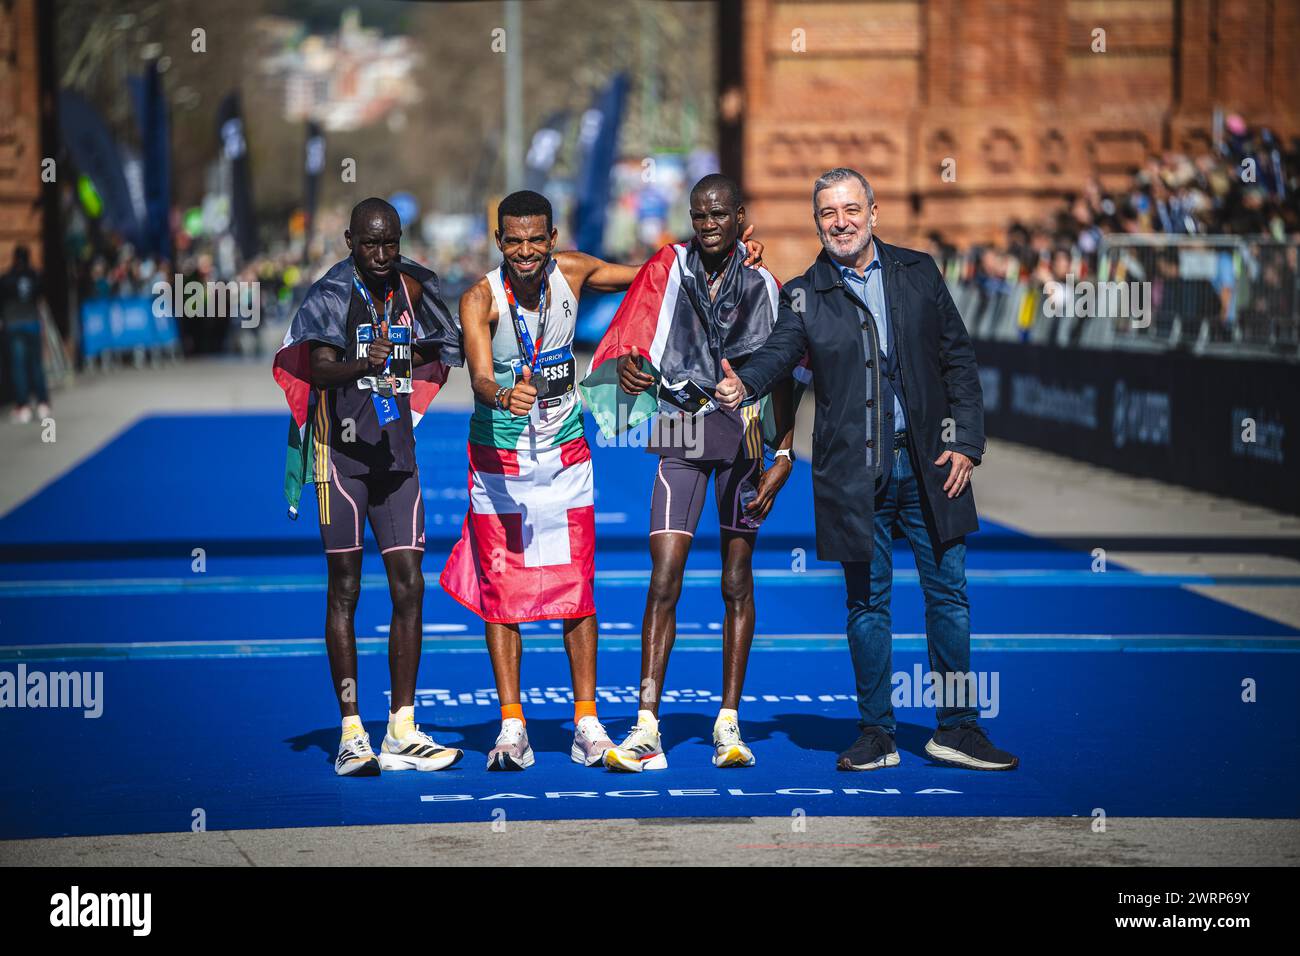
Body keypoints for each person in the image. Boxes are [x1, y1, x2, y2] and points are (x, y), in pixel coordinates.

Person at [441, 189, 765, 771]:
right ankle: (512, 726)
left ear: (552, 239)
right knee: (503, 596)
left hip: (566, 458)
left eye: (536, 239)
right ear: (498, 243)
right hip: (501, 464)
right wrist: (500, 394)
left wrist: (737, 253)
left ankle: (586, 723)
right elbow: (480, 375)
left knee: (576, 590)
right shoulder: (479, 299)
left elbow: (658, 273)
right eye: (513, 241)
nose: (525, 252)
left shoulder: (575, 271)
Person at [715, 167, 1019, 772]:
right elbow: (779, 352)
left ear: (874, 213)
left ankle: (957, 729)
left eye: (852, 209)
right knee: (866, 605)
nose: (841, 222)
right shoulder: (805, 292)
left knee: (949, 600)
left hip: (934, 466)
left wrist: (964, 443)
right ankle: (876, 732)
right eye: (828, 213)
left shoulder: (919, 271)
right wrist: (744, 382)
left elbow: (957, 360)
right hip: (852, 474)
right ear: (817, 223)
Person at [579, 174, 794, 771]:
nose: (708, 225)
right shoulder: (667, 266)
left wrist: (783, 454)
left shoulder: (766, 285)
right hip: (680, 427)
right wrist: (625, 371)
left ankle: (728, 721)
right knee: (665, 573)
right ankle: (646, 722)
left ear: (739, 216)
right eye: (699, 215)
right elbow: (627, 337)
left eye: (719, 215)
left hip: (747, 435)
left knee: (735, 579)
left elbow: (792, 377)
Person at [273, 198, 464, 777]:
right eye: (370, 243)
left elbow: (446, 342)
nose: (382, 255)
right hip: (340, 460)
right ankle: (352, 732)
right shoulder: (332, 293)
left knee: (410, 586)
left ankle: (402, 727)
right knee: (346, 589)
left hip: (396, 457)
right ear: (350, 239)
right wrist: (363, 361)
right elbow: (314, 366)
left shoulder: (411, 288)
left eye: (391, 243)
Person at [0, 246, 52, 423]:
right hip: (32, 323)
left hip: (14, 325)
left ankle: (23, 406)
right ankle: (43, 402)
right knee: (36, 365)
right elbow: (41, 297)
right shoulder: (35, 276)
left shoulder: (7, 278)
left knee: (19, 367)